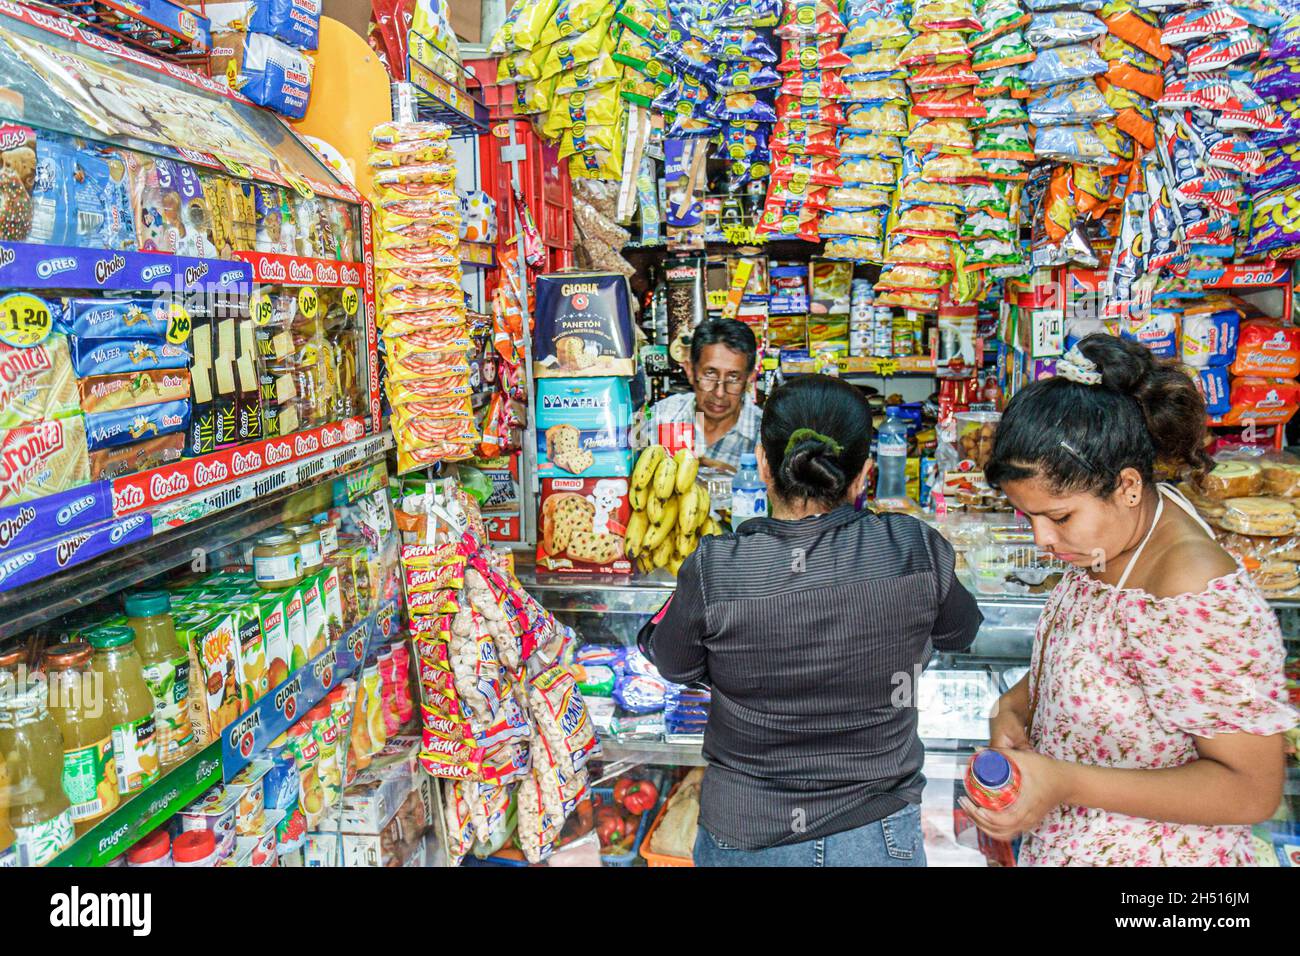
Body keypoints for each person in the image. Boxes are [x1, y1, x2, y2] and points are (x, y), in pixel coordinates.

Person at [968, 334, 1297, 866]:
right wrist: (1014, 706)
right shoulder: (1115, 536)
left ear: (1126, 486)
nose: (1041, 542)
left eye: (1058, 516)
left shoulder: (1194, 595)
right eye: (1026, 516)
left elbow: (1251, 790)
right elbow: (1103, 656)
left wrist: (1064, 782)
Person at [639, 375, 982, 866]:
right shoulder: (914, 548)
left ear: (762, 463)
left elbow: (674, 664)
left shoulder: (717, 567)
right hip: (876, 833)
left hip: (747, 833)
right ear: (864, 473)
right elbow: (959, 633)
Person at [652, 318, 762, 472]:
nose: (719, 393)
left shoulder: (764, 433)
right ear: (690, 371)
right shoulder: (662, 415)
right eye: (710, 374)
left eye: (733, 377)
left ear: (750, 378)